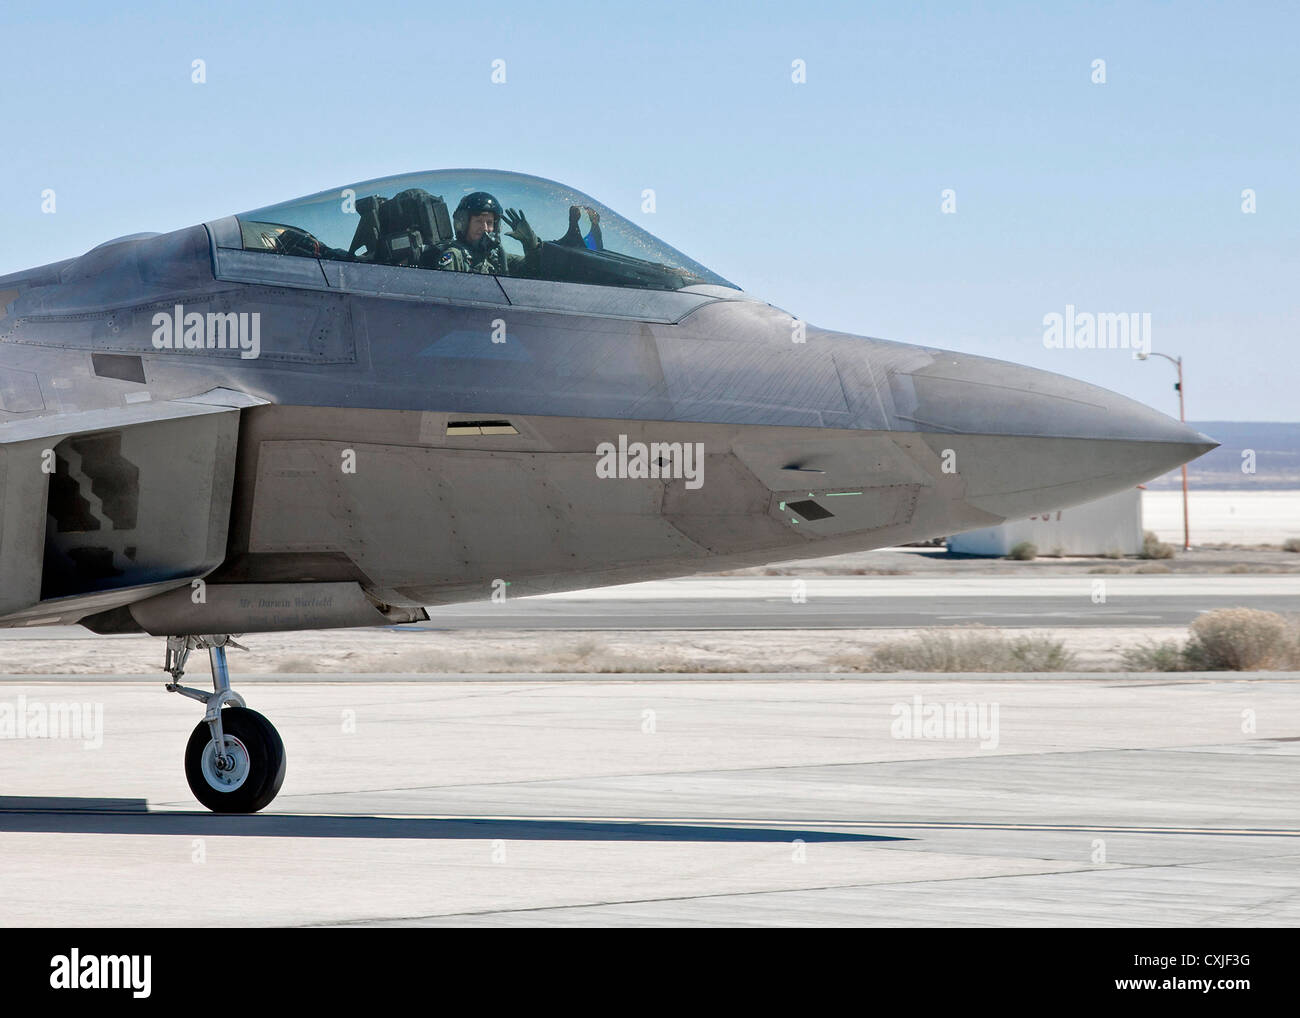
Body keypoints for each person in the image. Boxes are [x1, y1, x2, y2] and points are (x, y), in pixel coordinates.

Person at [430, 191, 540, 276]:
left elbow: (533, 270)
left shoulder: (497, 258)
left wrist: (530, 243)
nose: (485, 228)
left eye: (489, 222)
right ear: (463, 224)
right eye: (478, 221)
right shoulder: (454, 256)